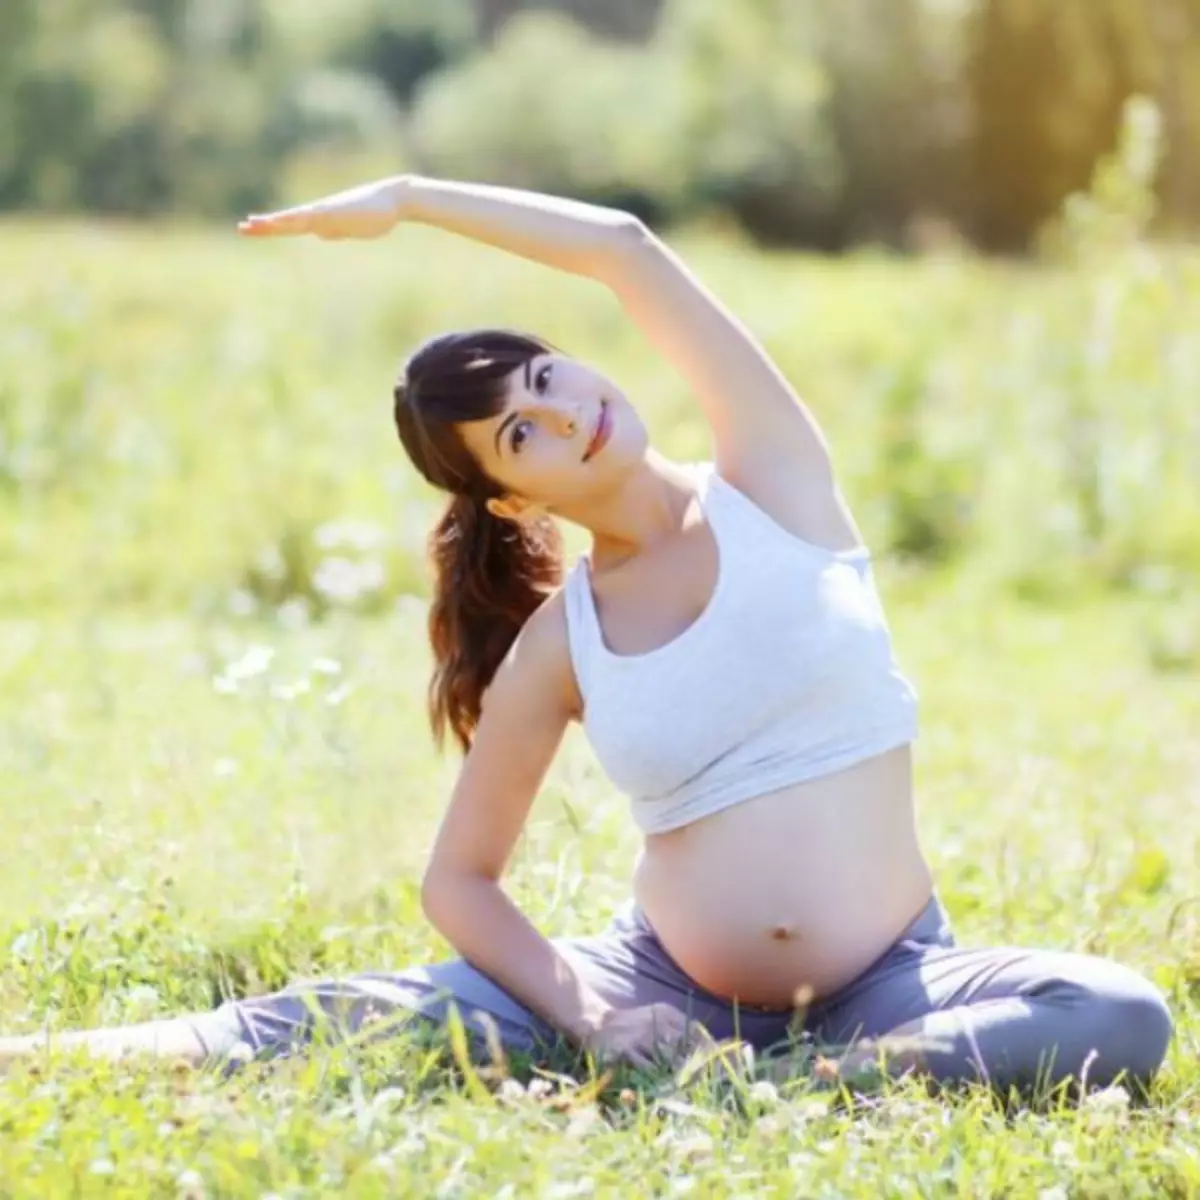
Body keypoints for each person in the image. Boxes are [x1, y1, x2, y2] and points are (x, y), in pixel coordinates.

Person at [0, 176, 1173, 1099]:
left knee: (1118, 1013)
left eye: (549, 377)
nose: (568, 412)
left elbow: (621, 246)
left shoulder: (777, 483)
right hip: (657, 989)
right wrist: (593, 1014)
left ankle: (813, 1084)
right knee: (338, 1018)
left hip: (895, 984)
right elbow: (459, 883)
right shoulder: (566, 643)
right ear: (512, 500)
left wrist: (409, 197)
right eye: (523, 435)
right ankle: (45, 1054)